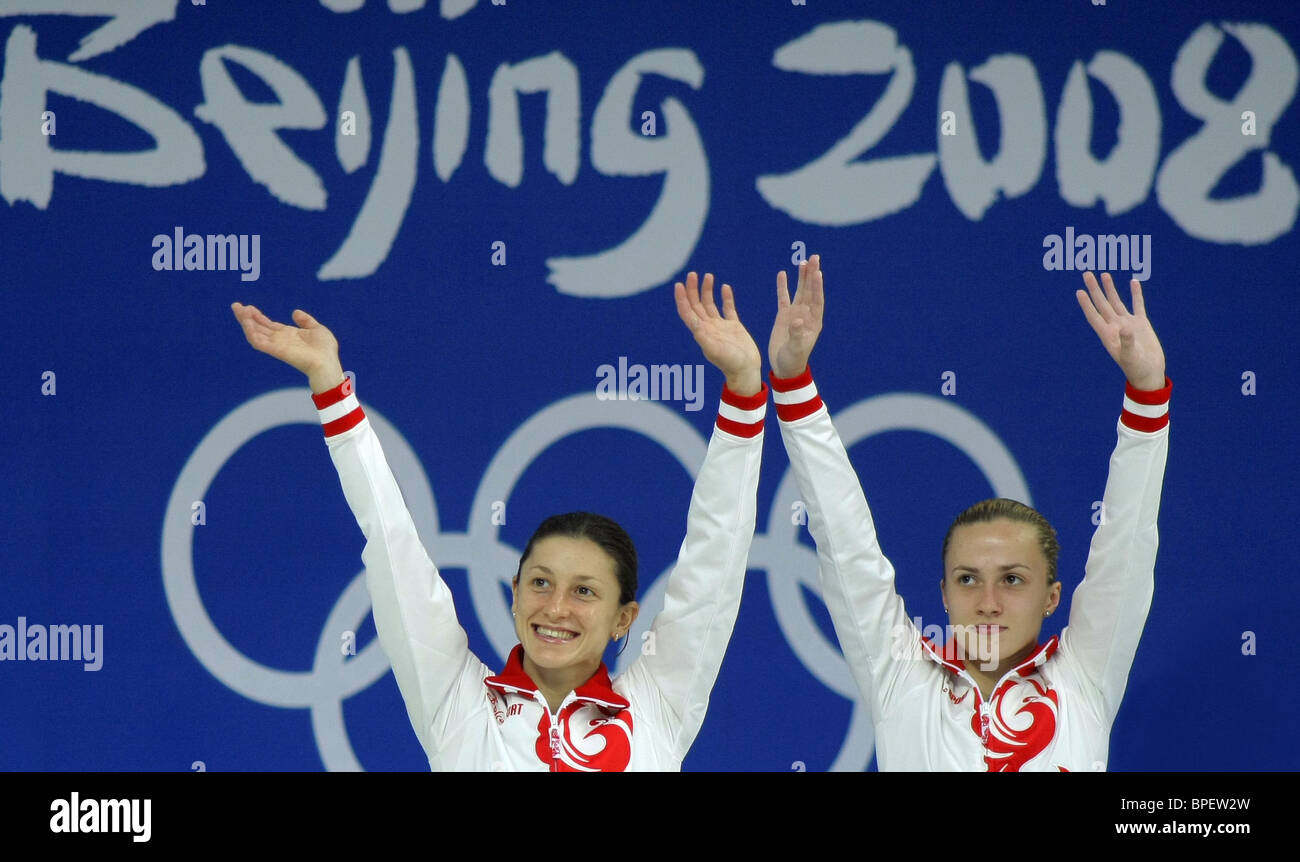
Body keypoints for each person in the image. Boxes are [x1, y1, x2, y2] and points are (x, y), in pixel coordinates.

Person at [229, 271, 767, 771]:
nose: (555, 608)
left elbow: (716, 560)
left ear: (624, 619)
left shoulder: (657, 708)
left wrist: (744, 389)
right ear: (514, 592)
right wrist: (329, 385)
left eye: (584, 591)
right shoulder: (456, 703)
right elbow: (393, 544)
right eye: (540, 582)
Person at [767, 257, 1169, 771]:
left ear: (1052, 598)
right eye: (967, 579)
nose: (988, 603)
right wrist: (793, 381)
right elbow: (844, 541)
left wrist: (1147, 394)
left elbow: (1126, 546)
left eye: (1013, 580)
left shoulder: (1084, 678)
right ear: (943, 594)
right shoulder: (901, 681)